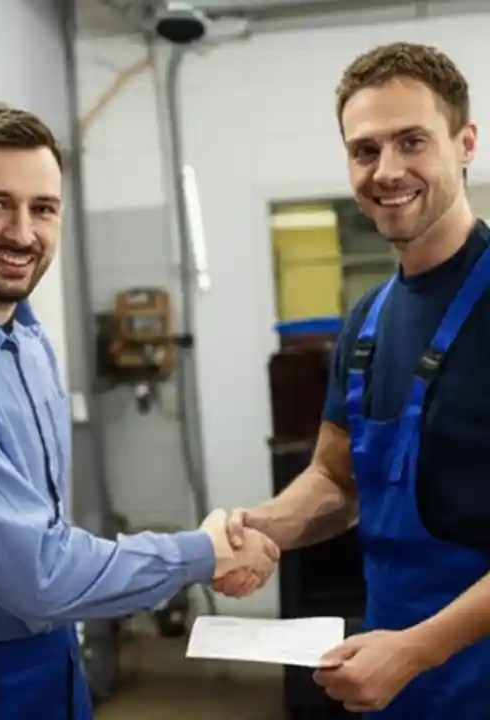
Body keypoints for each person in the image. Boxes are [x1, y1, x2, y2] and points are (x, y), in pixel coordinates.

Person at [0, 105, 280, 720]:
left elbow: (47, 544)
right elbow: (38, 573)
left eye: (44, 209)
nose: (23, 233)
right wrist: (203, 552)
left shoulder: (29, 339)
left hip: (52, 660)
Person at [220, 42, 490, 718]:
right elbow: (336, 481)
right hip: (392, 681)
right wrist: (256, 528)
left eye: (412, 142)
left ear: (465, 143)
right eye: (365, 150)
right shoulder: (367, 321)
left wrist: (419, 649)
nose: (387, 170)